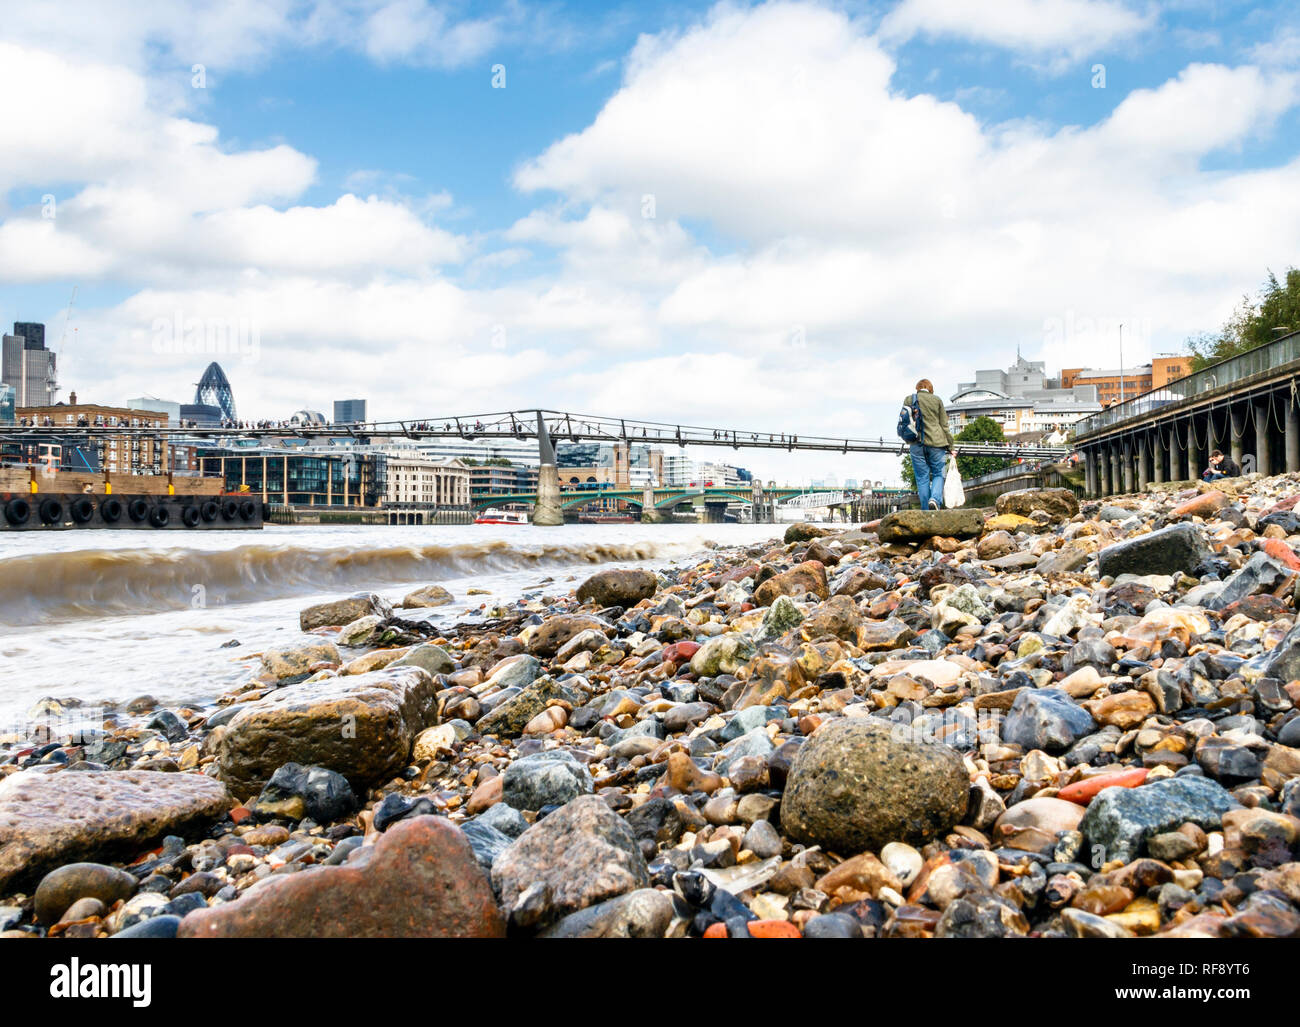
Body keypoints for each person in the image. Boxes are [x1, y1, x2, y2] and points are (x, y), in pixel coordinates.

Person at [898, 378, 956, 509]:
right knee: (938, 474)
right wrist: (951, 447)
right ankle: (935, 500)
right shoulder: (937, 400)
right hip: (937, 443)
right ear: (930, 389)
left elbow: (904, 421)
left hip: (916, 443)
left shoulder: (909, 399)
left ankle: (926, 511)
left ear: (917, 388)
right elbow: (944, 425)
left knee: (922, 478)